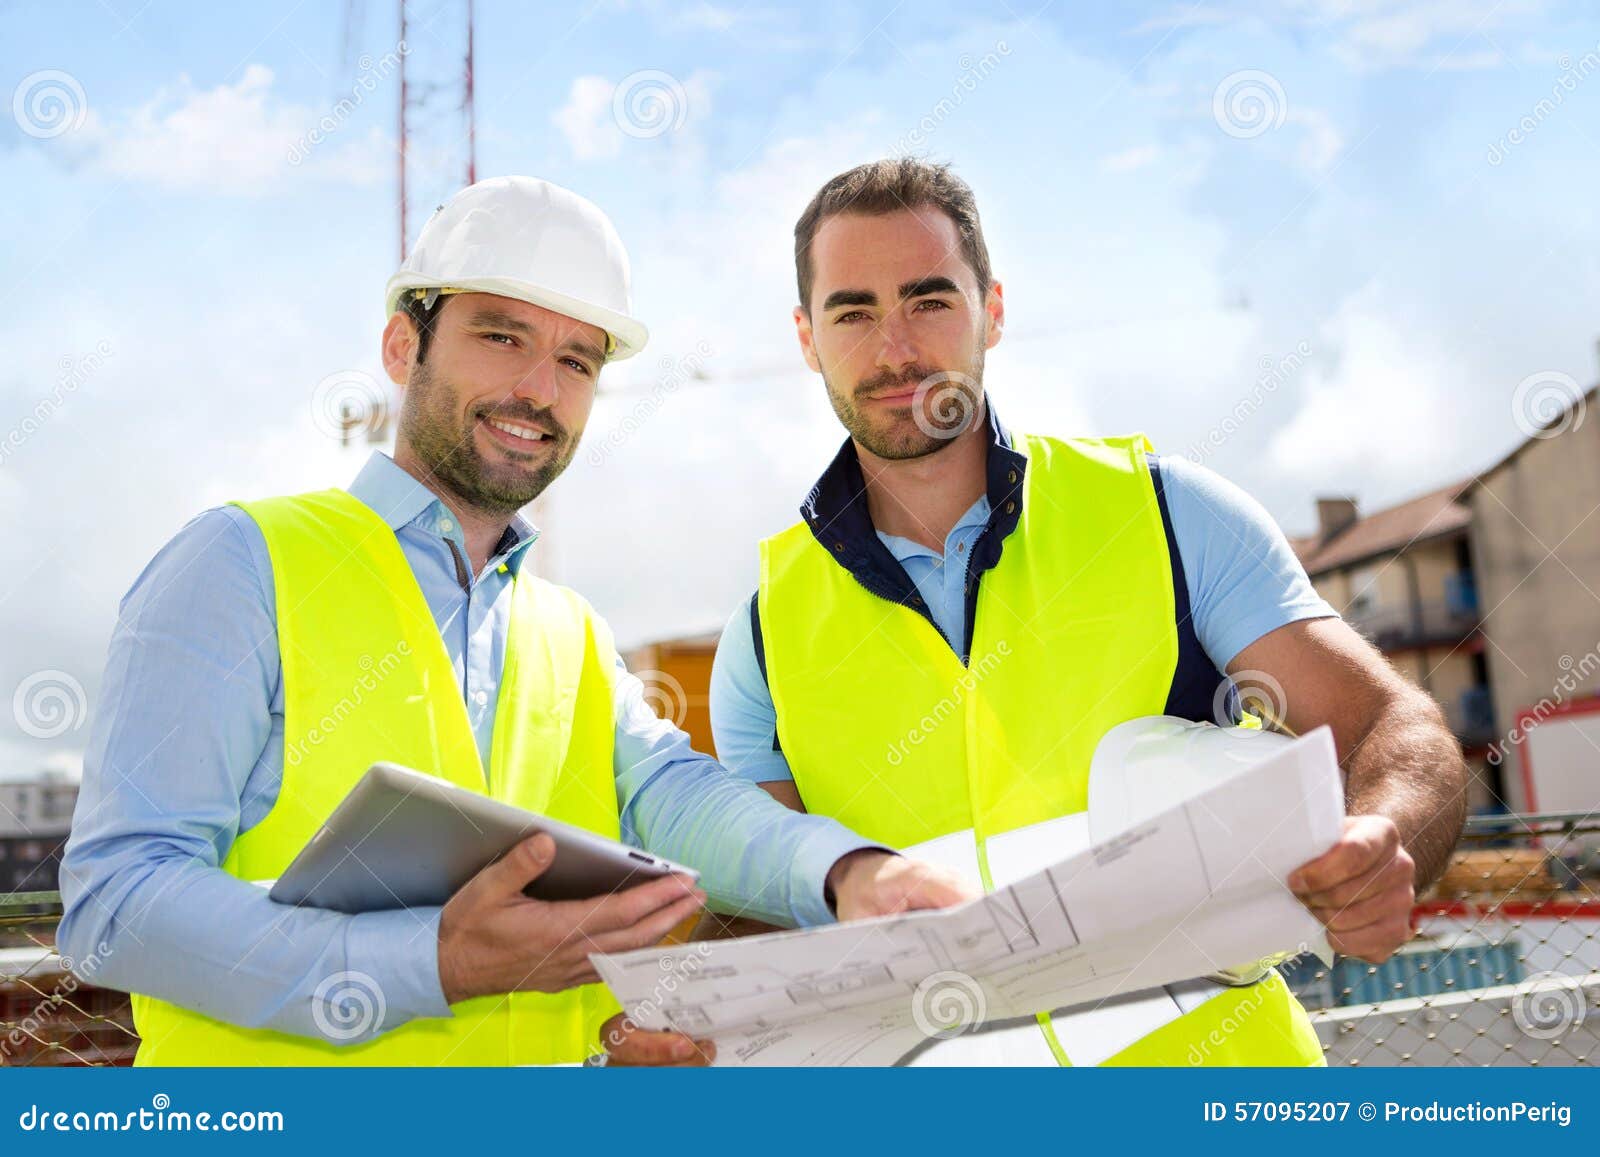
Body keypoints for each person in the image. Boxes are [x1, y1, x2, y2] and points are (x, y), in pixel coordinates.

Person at [58, 175, 969, 1068]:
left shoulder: (568, 631)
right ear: (401, 345)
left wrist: (851, 873)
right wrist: (434, 963)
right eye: (503, 336)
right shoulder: (237, 563)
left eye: (578, 360)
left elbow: (674, 800)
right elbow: (115, 904)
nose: (540, 388)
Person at [697, 158, 1468, 1066]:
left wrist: (1385, 836)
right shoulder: (762, 629)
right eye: (853, 311)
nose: (895, 348)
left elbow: (1389, 724)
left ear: (992, 308)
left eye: (929, 299)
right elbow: (765, 913)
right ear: (805, 336)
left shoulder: (1168, 512)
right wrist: (689, 1003)